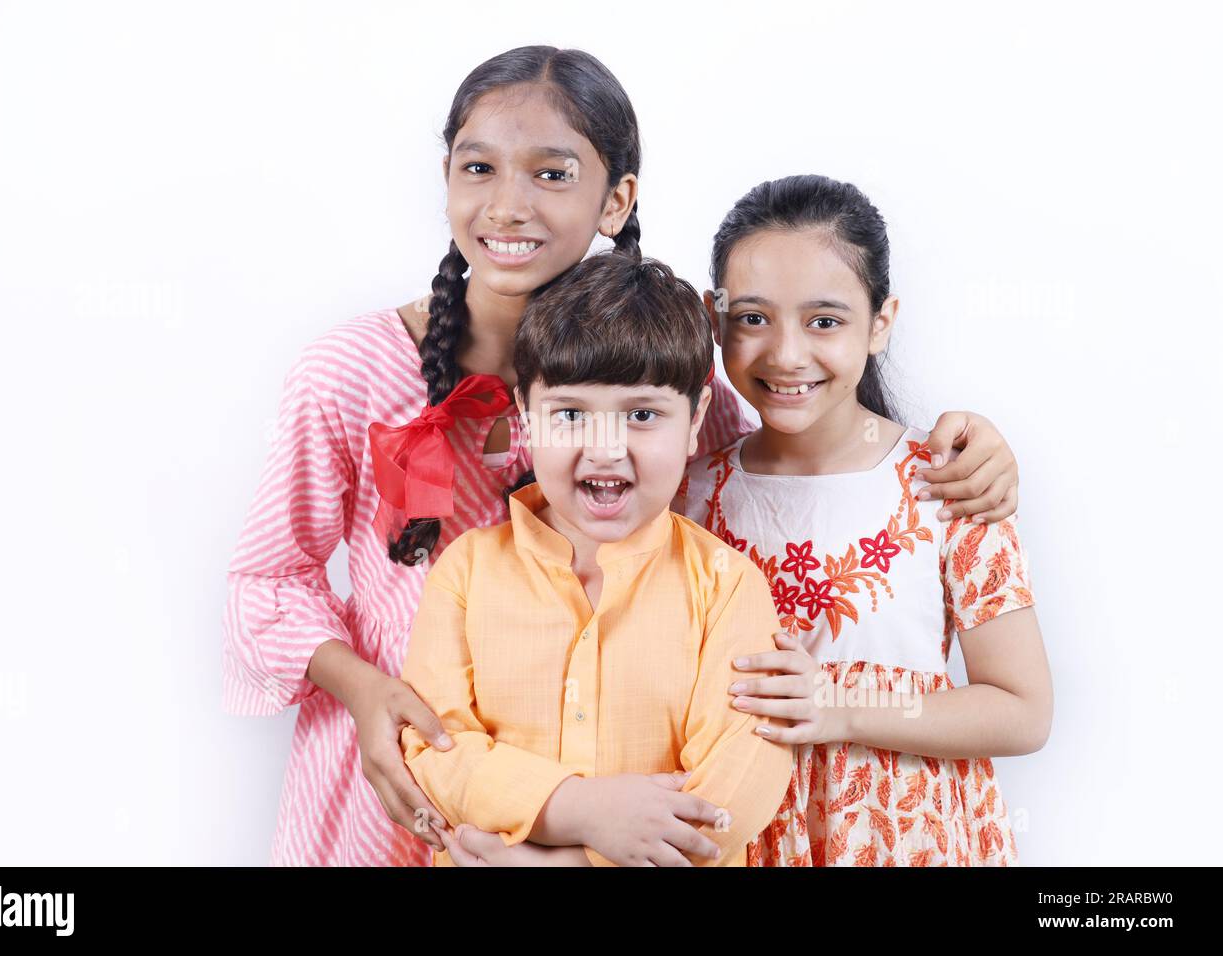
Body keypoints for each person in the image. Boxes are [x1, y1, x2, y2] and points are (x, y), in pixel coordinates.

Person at [222, 45, 1024, 866]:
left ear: (617, 200)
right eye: (479, 168)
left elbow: (767, 460)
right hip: (397, 774)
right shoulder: (347, 373)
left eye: (552, 174)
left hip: (625, 810)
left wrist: (957, 444)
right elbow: (267, 577)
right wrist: (367, 694)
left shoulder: (661, 369)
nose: (508, 206)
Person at [678, 174, 1052, 865]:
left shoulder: (948, 482)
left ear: (880, 323)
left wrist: (839, 709)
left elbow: (1023, 709)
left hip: (906, 836)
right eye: (753, 318)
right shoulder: (689, 497)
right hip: (744, 835)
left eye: (825, 320)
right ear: (714, 318)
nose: (787, 354)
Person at [400, 251, 795, 866]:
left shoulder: (727, 587)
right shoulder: (465, 574)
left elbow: (739, 784)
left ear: (694, 425)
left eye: (642, 415)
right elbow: (436, 750)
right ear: (526, 421)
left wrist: (563, 864)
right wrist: (574, 810)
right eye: (570, 414)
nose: (605, 449)